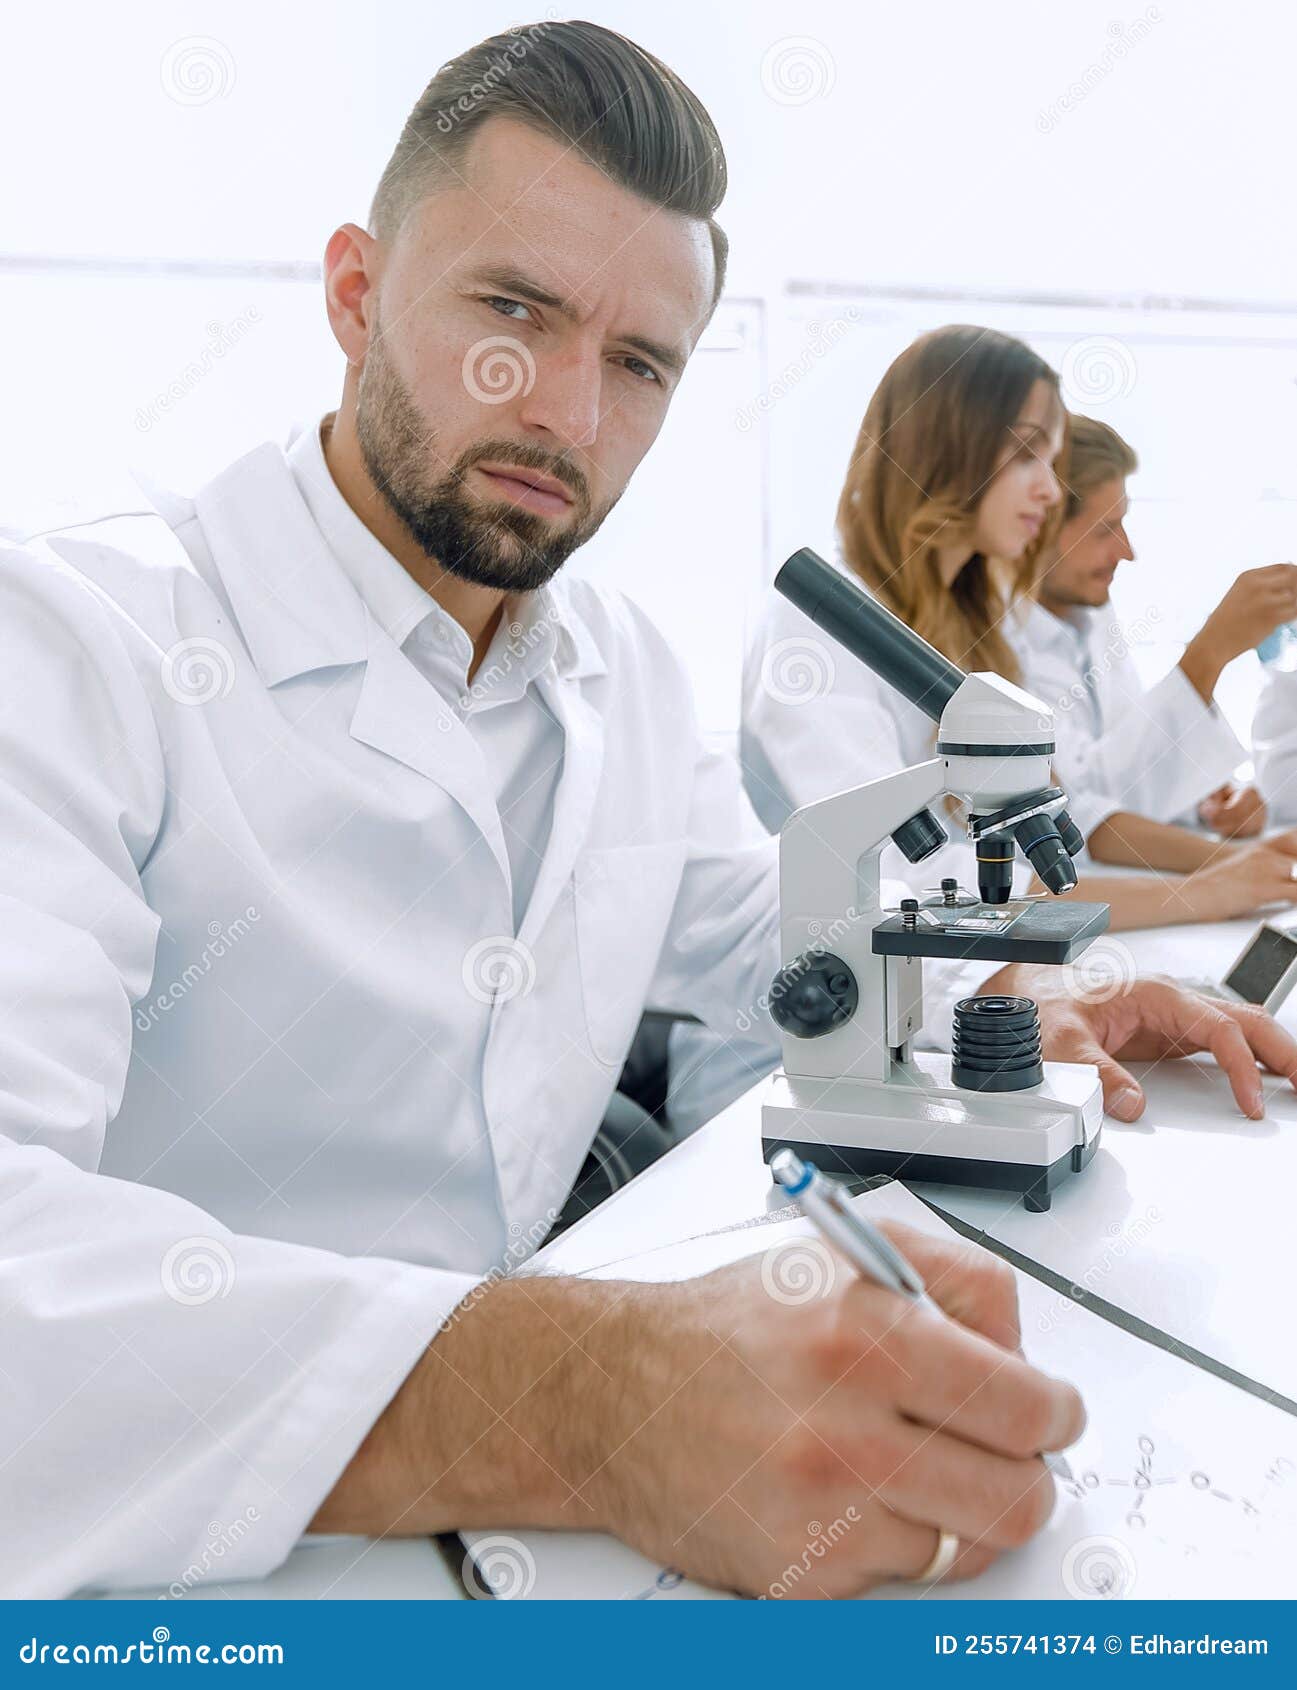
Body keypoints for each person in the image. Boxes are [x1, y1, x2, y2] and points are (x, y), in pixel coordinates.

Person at [2, 24, 1293, 1602]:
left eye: (638, 363)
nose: (564, 412)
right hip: (173, 1568)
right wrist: (575, 1397)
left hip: (523, 1544)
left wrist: (1035, 985)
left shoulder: (615, 667)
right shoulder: (72, 640)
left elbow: (770, 935)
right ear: (352, 292)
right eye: (511, 312)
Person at [742, 326, 1297, 935]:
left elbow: (1053, 815)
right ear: (944, 447)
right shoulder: (820, 631)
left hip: (950, 973)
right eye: (1027, 454)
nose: (1050, 490)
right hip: (852, 993)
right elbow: (916, 884)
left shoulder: (971, 631)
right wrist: (1199, 894)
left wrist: (1219, 870)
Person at [1013, 413, 1297, 858]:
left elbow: (1129, 757)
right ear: (1035, 526)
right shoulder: (991, 648)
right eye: (1104, 529)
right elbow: (1079, 814)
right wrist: (1210, 653)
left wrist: (1206, 800)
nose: (1127, 551)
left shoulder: (1089, 612)